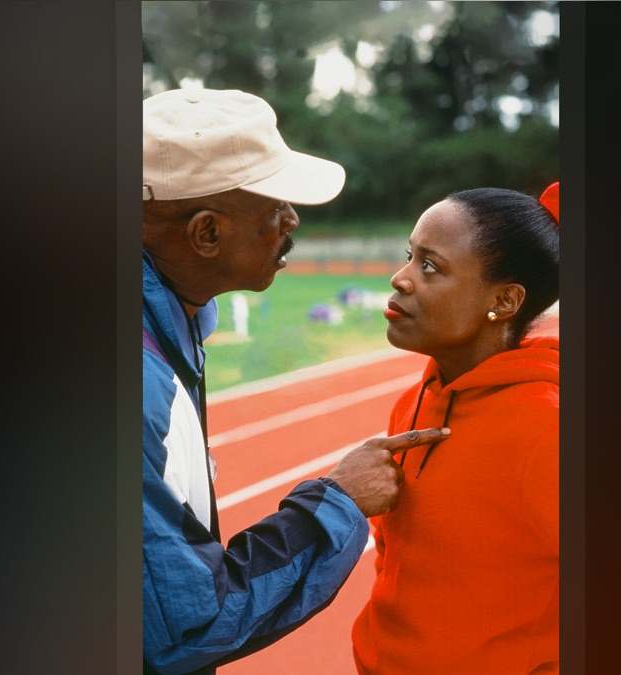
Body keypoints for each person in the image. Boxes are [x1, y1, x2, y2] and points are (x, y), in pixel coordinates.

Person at [141, 86, 451, 675]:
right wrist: (336, 502)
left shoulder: (171, 315)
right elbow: (184, 627)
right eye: (274, 205)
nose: (292, 220)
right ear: (206, 233)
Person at [351, 183, 561, 674]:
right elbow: (395, 562)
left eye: (430, 266)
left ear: (505, 300)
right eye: (409, 256)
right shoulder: (412, 406)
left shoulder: (546, 428)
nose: (399, 278)